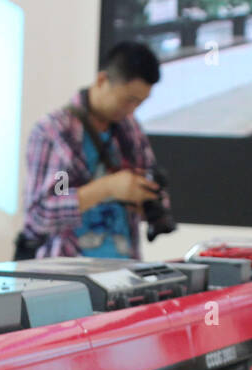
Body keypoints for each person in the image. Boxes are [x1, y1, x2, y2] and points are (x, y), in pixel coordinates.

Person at [19, 41, 171, 260]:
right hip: (67, 272)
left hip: (125, 270)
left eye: (140, 102)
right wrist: (107, 188)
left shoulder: (130, 132)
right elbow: (42, 211)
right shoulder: (58, 133)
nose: (132, 109)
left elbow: (154, 188)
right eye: (128, 99)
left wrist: (147, 198)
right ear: (102, 80)